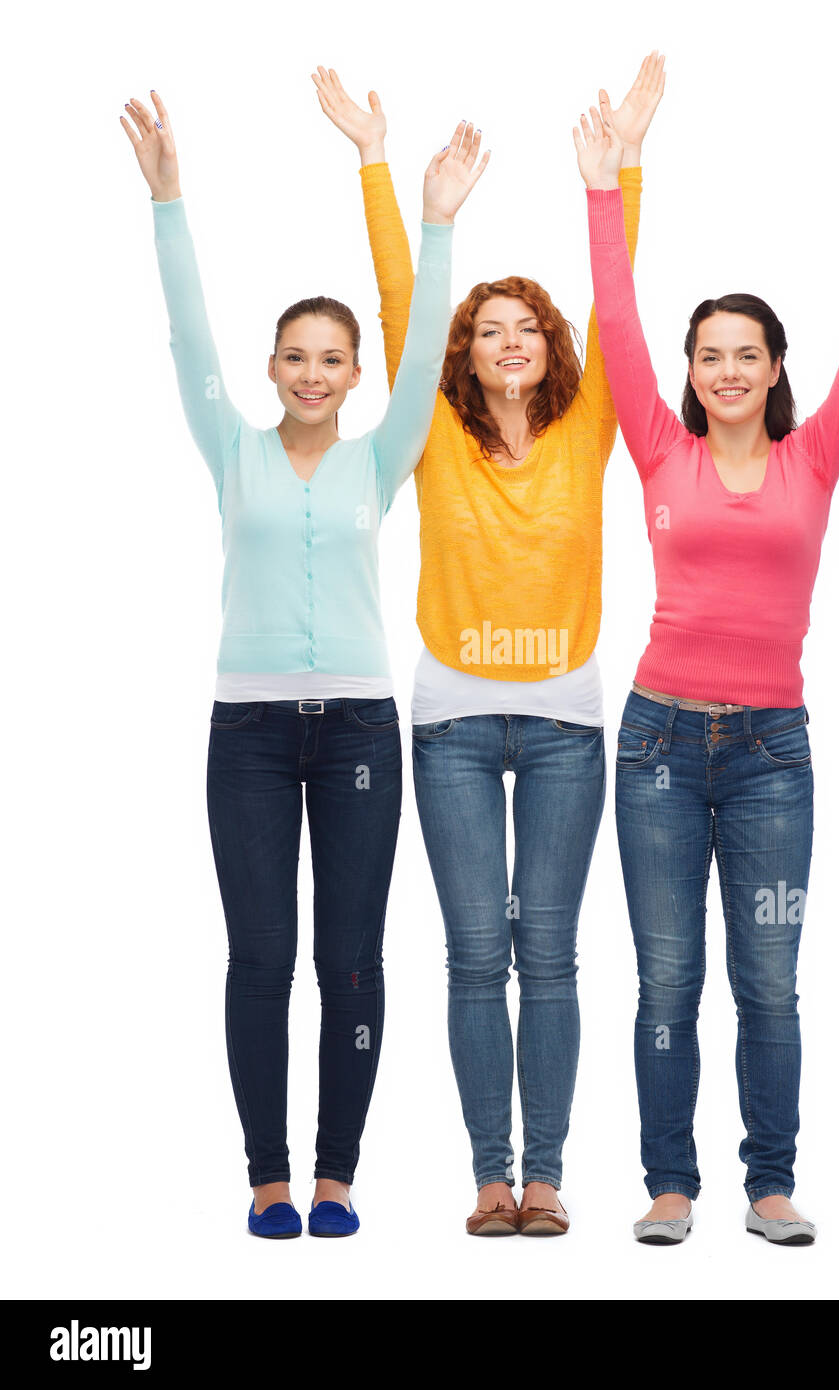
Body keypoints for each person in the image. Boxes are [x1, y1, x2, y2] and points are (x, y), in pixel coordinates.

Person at [121, 85, 486, 1238]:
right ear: (272, 369)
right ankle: (266, 1175)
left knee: (352, 959)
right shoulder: (231, 446)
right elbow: (187, 331)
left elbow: (430, 348)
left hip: (363, 734)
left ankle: (337, 1174)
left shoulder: (383, 458)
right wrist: (169, 199)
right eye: (295, 357)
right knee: (261, 957)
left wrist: (434, 220)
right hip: (248, 731)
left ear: (353, 371)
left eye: (333, 358)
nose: (314, 374)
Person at [312, 55, 663, 1234]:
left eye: (526, 327)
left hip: (565, 723)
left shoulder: (590, 425)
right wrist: (389, 177)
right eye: (485, 330)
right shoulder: (432, 438)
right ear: (458, 354)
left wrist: (617, 172)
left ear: (549, 344)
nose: (506, 340)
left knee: (549, 958)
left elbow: (618, 299)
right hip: (452, 722)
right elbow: (401, 309)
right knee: (475, 957)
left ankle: (549, 1177)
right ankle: (486, 1179)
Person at [577, 98, 839, 1245]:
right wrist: (605, 188)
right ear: (689, 370)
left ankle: (766, 1183)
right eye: (708, 354)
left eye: (746, 354)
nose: (726, 370)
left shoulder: (811, 455)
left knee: (767, 981)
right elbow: (612, 323)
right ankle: (669, 1184)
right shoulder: (655, 447)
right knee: (666, 981)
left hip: (772, 755)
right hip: (659, 750)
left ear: (774, 369)